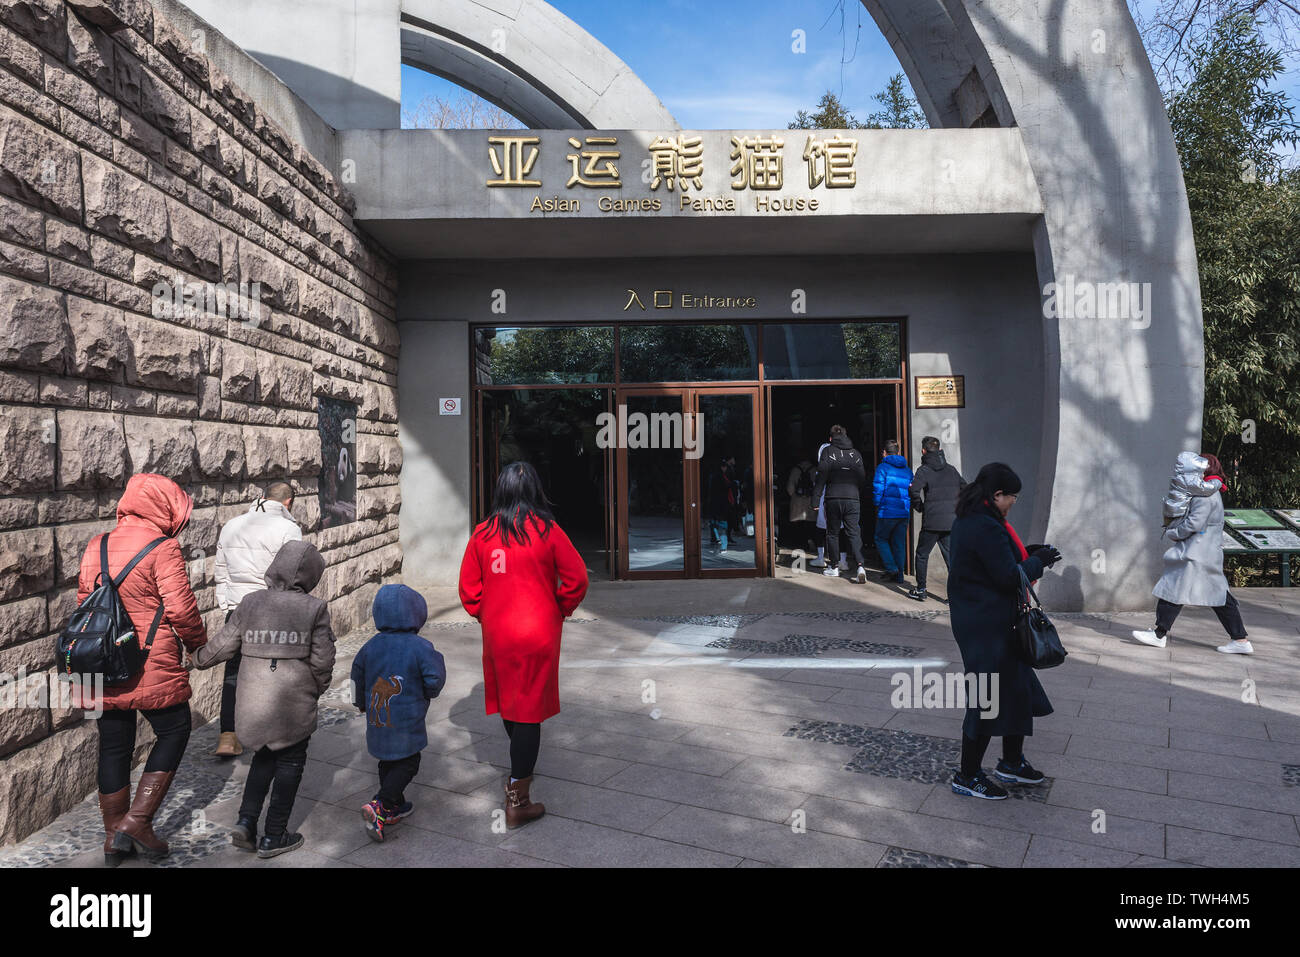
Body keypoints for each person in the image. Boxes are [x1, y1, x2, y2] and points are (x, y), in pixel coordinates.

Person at [77, 473, 207, 864]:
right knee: (175, 728)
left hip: (101, 662)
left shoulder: (96, 544)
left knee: (114, 745)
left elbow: (85, 603)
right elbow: (181, 608)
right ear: (165, 506)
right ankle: (137, 821)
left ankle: (113, 836)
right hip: (150, 660)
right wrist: (198, 644)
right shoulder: (163, 547)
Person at [458, 462, 589, 828]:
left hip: (499, 633)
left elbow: (469, 590)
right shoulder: (548, 531)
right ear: (535, 491)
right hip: (538, 632)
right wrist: (559, 607)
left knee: (511, 702)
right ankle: (518, 797)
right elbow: (577, 578)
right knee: (528, 708)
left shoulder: (482, 534)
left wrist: (487, 613)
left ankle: (520, 770)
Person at [195, 540, 335, 858]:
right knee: (290, 762)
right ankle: (274, 834)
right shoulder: (314, 608)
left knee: (263, 757)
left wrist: (199, 657)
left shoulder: (250, 602)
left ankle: (246, 821)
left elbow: (225, 644)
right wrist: (318, 687)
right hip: (293, 703)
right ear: (312, 575)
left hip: (253, 701)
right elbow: (322, 660)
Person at [947, 463, 1062, 800]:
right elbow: (1008, 576)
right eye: (1013, 496)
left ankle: (1011, 763)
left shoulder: (976, 519)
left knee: (1017, 689)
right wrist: (1038, 561)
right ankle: (967, 775)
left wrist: (1032, 554)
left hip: (992, 620)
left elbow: (1001, 560)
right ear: (997, 495)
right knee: (986, 697)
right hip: (985, 626)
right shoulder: (984, 525)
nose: (1014, 502)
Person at [350, 583, 447, 842]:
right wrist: (430, 692)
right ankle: (380, 804)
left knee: (387, 760)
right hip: (407, 719)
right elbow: (434, 678)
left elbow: (356, 677)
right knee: (408, 762)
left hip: (377, 718)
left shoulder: (369, 647)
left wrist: (359, 702)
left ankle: (395, 806)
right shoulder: (420, 647)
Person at [212, 481, 302, 757]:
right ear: (288, 503)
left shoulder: (232, 525)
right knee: (274, 668)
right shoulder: (289, 529)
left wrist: (227, 604)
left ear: (262, 497)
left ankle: (228, 736)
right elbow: (294, 573)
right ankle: (268, 731)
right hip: (271, 608)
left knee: (234, 669)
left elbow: (221, 570)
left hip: (238, 607)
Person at [1133, 453, 1253, 654]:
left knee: (1173, 588)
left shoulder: (1204, 495)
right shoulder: (1211, 491)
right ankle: (1240, 640)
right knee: (1219, 597)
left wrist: (1174, 532)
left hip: (1195, 553)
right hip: (1205, 553)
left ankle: (1159, 634)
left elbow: (1195, 523)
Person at [907, 436, 965, 601]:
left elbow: (913, 491)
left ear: (924, 451)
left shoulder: (923, 470)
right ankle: (956, 594)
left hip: (932, 522)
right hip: (950, 522)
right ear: (939, 450)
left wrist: (919, 507)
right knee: (951, 558)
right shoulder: (952, 470)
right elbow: (965, 487)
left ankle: (921, 590)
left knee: (922, 554)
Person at [812, 425, 868, 583]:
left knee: (833, 533)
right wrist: (858, 494)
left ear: (830, 439)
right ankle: (860, 566)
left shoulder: (827, 451)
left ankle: (834, 567)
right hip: (852, 498)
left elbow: (821, 476)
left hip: (833, 497)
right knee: (854, 533)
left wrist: (815, 500)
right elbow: (862, 478)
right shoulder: (855, 454)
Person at [872, 440, 912, 584]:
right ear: (898, 452)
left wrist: (876, 504)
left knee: (880, 538)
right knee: (899, 543)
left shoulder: (883, 468)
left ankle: (892, 568)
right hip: (903, 512)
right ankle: (899, 576)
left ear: (884, 452)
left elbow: (878, 488)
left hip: (887, 511)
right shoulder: (907, 470)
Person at [1162, 451, 1223, 527]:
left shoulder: (1180, 477)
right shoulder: (1190, 481)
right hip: (1178, 515)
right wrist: (1217, 481)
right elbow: (1208, 488)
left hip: (1171, 512)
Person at [785, 455, 818, 561]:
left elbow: (790, 487)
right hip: (810, 500)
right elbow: (818, 486)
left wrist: (794, 496)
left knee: (798, 523)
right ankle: (811, 540)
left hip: (797, 501)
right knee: (811, 523)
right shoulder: (814, 469)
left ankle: (800, 544)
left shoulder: (795, 470)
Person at [706, 458, 732, 552]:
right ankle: (724, 546)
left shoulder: (712, 476)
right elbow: (726, 488)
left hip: (713, 504)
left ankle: (717, 539)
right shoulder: (721, 477)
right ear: (722, 467)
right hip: (721, 504)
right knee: (723, 525)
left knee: (714, 523)